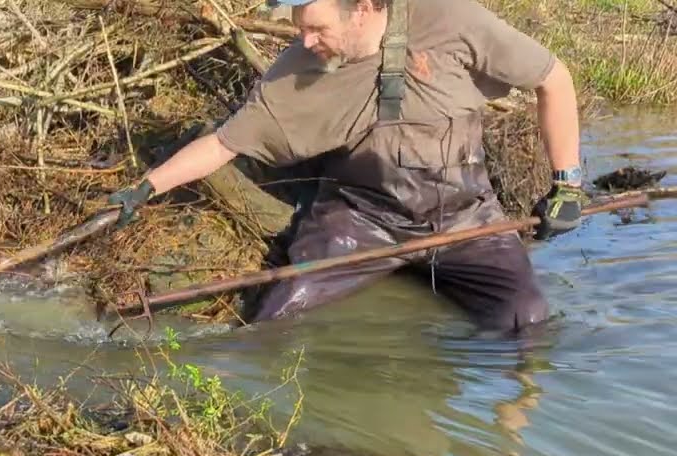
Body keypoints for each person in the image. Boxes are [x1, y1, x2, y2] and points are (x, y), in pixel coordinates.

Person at [107, 0, 587, 333]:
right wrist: (145, 188)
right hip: (361, 218)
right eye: (299, 27)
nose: (305, 39)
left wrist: (568, 184)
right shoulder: (300, 66)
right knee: (278, 315)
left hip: (465, 218)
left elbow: (553, 78)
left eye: (317, 28)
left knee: (527, 317)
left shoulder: (451, 18)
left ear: (361, 9)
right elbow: (223, 143)